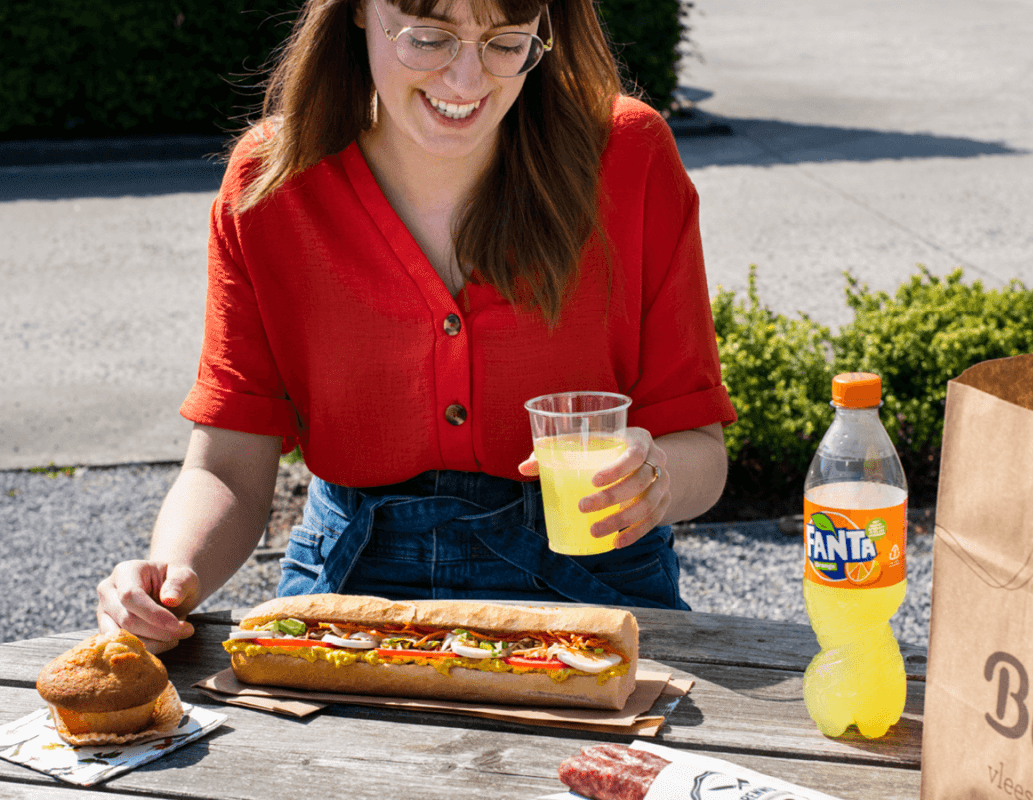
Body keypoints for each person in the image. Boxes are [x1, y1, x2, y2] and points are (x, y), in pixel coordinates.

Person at [97, 0, 737, 653]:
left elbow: (701, 453)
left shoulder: (630, 154)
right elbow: (228, 468)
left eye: (505, 43)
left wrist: (653, 478)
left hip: (597, 584)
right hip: (346, 582)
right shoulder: (267, 183)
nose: (465, 81)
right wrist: (170, 577)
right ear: (355, 14)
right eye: (428, 39)